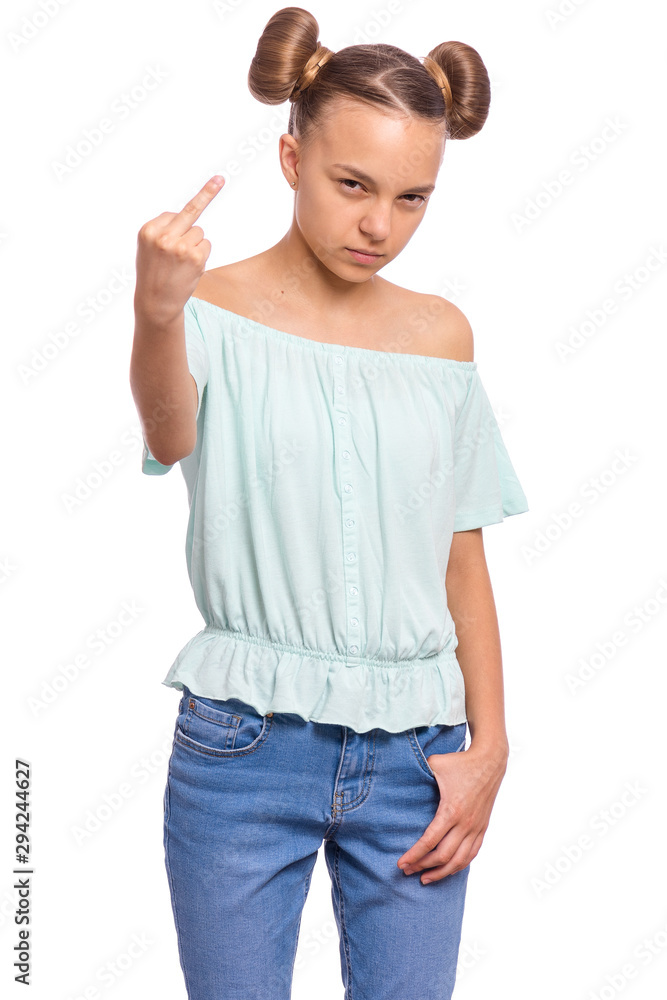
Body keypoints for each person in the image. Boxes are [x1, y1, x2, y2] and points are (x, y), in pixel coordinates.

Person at [129, 7, 529, 999]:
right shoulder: (213, 306)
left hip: (417, 758)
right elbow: (171, 434)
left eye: (410, 198)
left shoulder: (441, 338)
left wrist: (490, 749)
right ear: (290, 154)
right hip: (245, 749)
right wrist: (156, 311)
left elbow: (459, 556)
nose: (377, 226)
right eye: (352, 184)